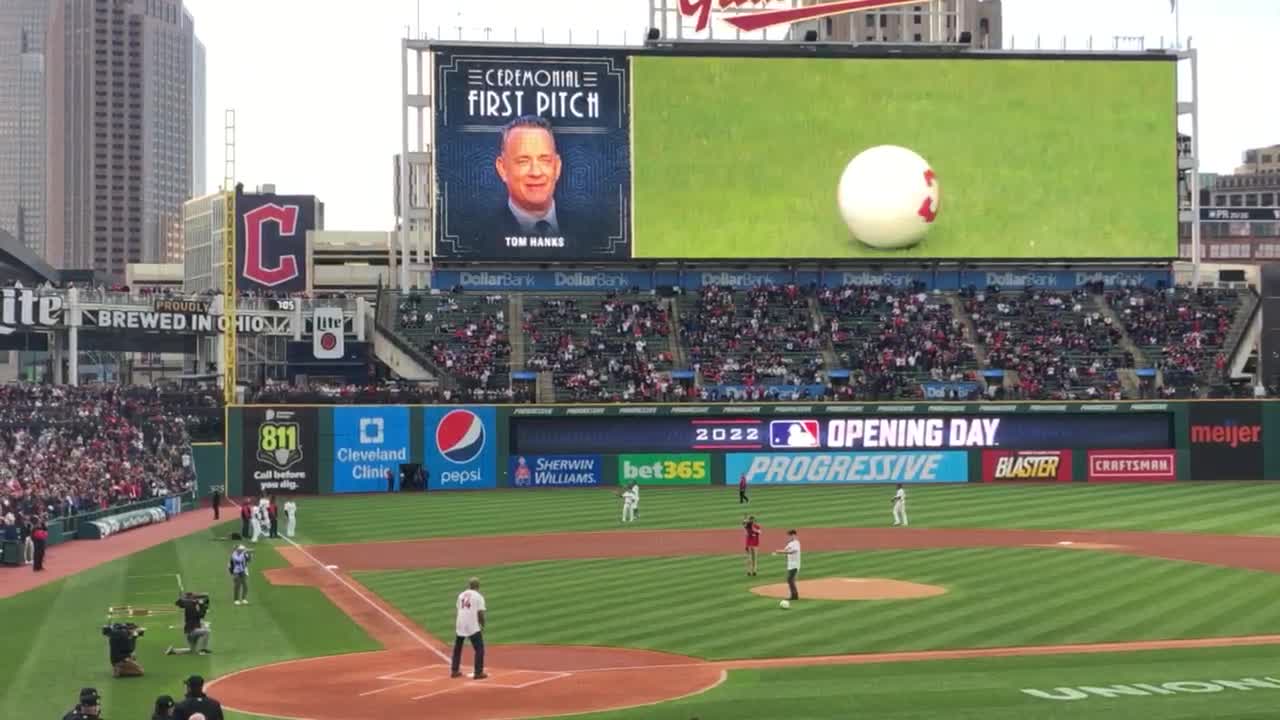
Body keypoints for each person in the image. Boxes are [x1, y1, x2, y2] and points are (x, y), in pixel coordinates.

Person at [451, 576, 487, 680]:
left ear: (469, 585)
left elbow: (459, 608)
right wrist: (482, 624)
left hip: (460, 623)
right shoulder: (478, 596)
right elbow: (480, 613)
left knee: (458, 647)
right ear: (478, 586)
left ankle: (454, 670)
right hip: (471, 624)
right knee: (479, 648)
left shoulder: (461, 595)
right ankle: (478, 672)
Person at [773, 529, 801, 602]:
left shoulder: (796, 543)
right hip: (790, 565)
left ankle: (794, 595)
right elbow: (786, 551)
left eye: (790, 535)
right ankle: (794, 595)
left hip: (795, 565)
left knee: (790, 579)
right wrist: (779, 553)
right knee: (790, 580)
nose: (788, 537)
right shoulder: (790, 543)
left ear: (794, 535)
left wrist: (780, 552)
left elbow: (793, 551)